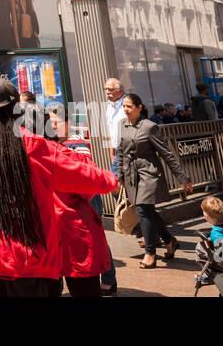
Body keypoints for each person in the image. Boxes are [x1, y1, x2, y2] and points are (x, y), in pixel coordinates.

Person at [0, 78, 117, 296]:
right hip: (29, 264)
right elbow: (85, 176)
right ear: (15, 109)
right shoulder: (35, 146)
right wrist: (110, 179)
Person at [118, 92, 193, 269]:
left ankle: (150, 253)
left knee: (143, 211)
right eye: (124, 106)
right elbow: (121, 150)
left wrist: (183, 177)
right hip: (131, 176)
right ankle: (169, 240)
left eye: (129, 106)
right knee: (148, 212)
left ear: (139, 107)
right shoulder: (122, 124)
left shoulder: (150, 127)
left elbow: (166, 154)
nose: (126, 110)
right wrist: (120, 175)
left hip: (149, 175)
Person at [53, 117, 115, 297]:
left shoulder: (75, 143)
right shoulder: (56, 145)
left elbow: (88, 179)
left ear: (67, 122)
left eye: (58, 122)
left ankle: (109, 280)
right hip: (72, 208)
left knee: (93, 243)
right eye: (51, 123)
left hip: (85, 201)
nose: (54, 126)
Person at [97, 76, 125, 294]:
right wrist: (111, 151)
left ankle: (132, 222)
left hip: (128, 153)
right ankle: (133, 222)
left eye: (110, 89)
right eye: (105, 89)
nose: (107, 92)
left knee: (121, 191)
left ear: (119, 90)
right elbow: (110, 130)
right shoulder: (108, 107)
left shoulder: (126, 104)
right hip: (116, 153)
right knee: (119, 191)